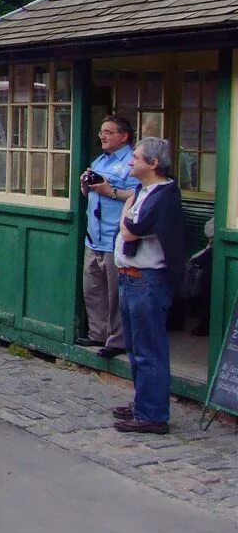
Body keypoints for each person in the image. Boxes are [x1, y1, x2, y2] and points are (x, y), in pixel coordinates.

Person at [112, 136, 184, 434]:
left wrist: (125, 210)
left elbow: (131, 231)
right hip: (131, 277)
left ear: (153, 164)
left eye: (137, 158)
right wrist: (129, 204)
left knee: (149, 348)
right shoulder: (144, 191)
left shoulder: (162, 196)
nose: (131, 161)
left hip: (147, 281)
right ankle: (144, 401)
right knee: (135, 346)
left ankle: (153, 413)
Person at [78, 115, 140, 358]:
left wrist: (110, 191)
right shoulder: (100, 159)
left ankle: (117, 340)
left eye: (108, 132)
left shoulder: (132, 162)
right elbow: (92, 194)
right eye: (101, 132)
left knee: (116, 293)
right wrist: (87, 185)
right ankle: (97, 333)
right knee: (92, 288)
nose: (102, 136)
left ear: (123, 136)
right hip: (93, 235)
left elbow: (137, 196)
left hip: (115, 235)